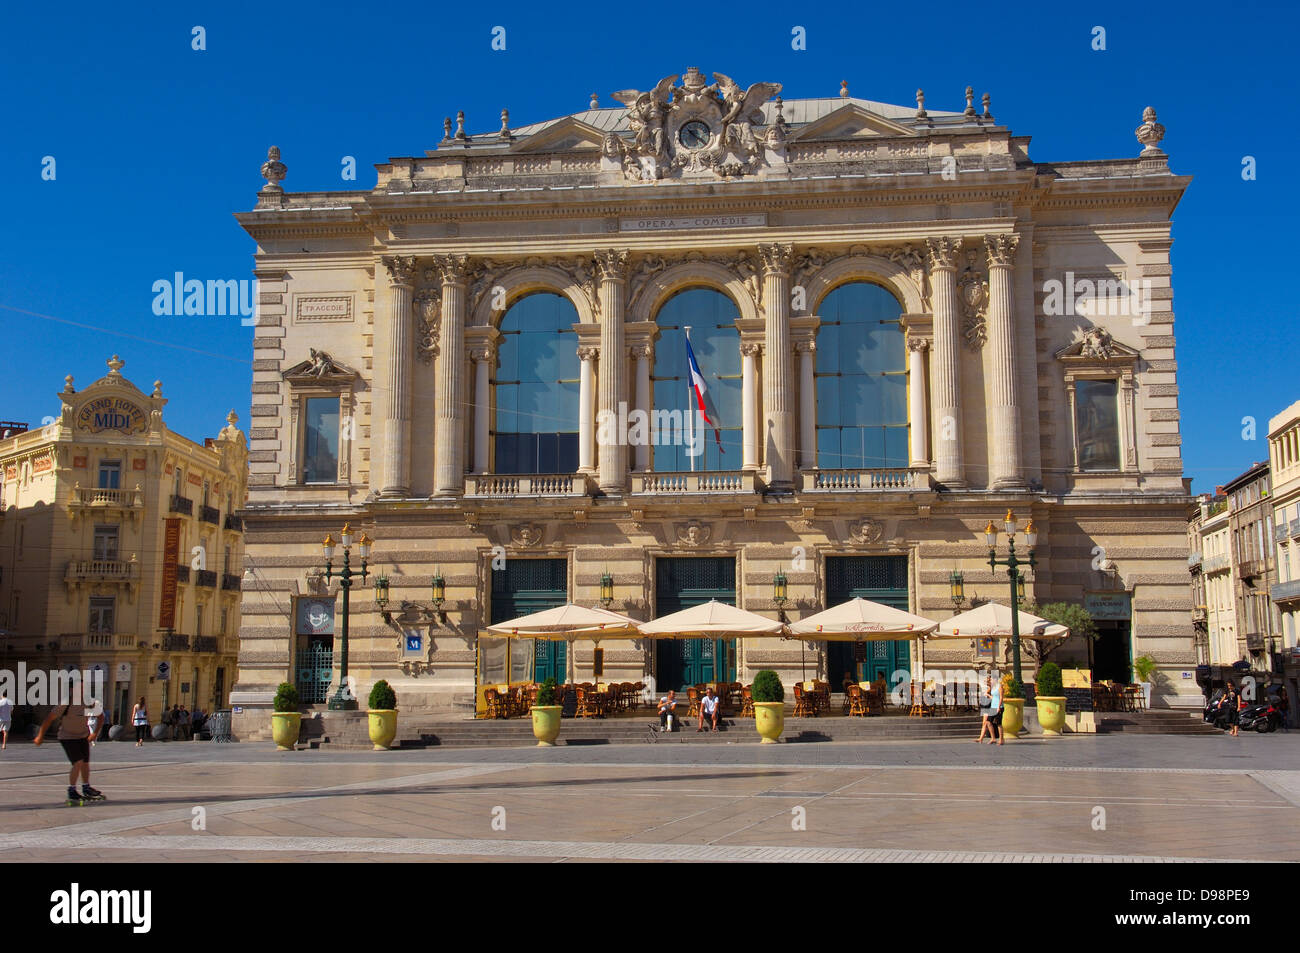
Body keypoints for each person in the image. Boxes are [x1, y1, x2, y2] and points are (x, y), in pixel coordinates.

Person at [34, 701, 104, 804]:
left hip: (82, 736)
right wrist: (40, 736)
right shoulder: (65, 703)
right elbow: (49, 718)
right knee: (78, 762)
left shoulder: (89, 702)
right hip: (67, 737)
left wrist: (94, 733)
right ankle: (72, 790)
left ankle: (86, 787)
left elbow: (101, 717)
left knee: (85, 763)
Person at [987, 673, 1004, 746]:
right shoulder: (993, 687)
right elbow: (994, 697)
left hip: (998, 707)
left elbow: (1001, 697)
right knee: (988, 722)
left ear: (995, 679)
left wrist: (999, 707)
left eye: (991, 679)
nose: (990, 680)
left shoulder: (1000, 687)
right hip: (993, 706)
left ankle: (1001, 739)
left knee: (998, 723)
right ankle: (993, 738)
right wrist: (989, 696)